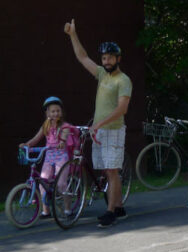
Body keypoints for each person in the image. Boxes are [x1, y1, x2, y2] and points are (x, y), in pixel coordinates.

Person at [64, 19, 132, 228]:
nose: (107, 60)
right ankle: (119, 207)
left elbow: (122, 109)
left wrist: (99, 123)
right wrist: (72, 35)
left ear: (118, 58)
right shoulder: (102, 74)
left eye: (110, 57)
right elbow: (82, 57)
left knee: (112, 171)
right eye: (104, 57)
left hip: (112, 130)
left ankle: (110, 212)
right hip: (99, 131)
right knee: (106, 171)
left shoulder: (124, 80)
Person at [18, 97, 73, 219]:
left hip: (61, 157)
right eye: (52, 111)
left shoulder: (65, 126)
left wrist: (62, 141)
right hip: (48, 157)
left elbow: (64, 136)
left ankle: (68, 208)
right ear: (47, 113)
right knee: (42, 181)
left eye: (58, 110)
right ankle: (46, 210)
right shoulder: (45, 126)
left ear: (61, 112)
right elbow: (35, 139)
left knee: (61, 183)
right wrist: (27, 145)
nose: (55, 113)